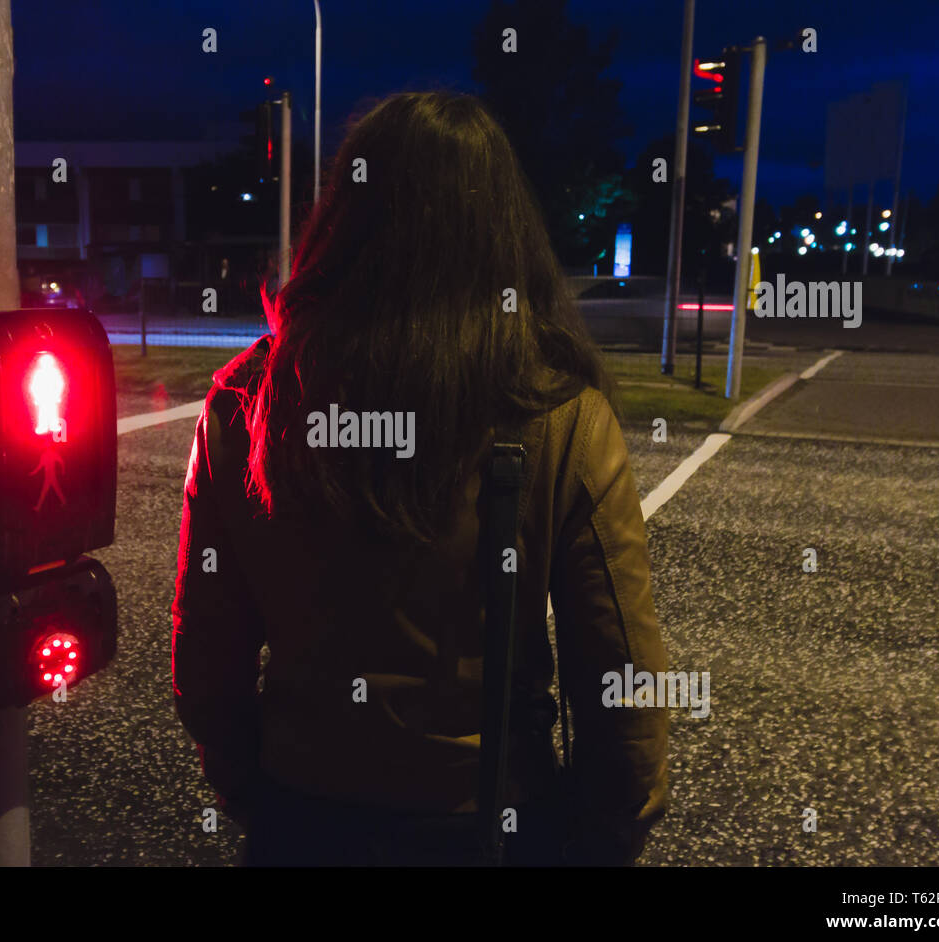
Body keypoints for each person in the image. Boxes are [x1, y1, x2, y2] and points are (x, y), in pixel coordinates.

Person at [171, 91, 668, 866]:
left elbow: (206, 663)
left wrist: (255, 793)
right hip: (493, 820)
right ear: (507, 232)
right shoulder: (562, 416)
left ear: (341, 220)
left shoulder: (246, 403)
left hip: (304, 818)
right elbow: (625, 682)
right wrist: (604, 835)